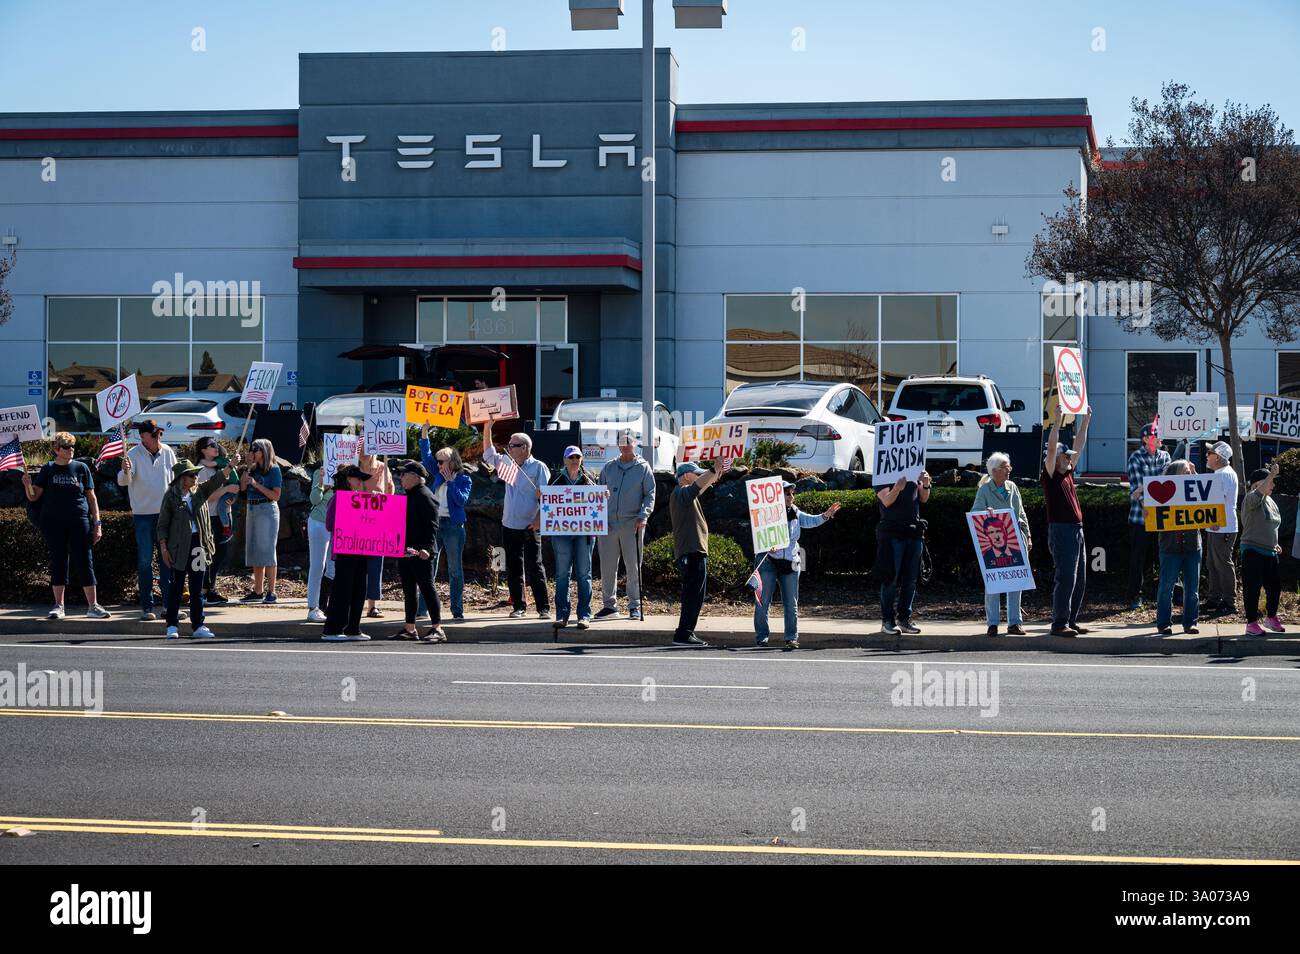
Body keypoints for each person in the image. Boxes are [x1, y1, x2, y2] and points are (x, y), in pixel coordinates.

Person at [22, 432, 110, 620]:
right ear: (56, 449)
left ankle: (93, 606)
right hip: (53, 522)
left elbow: (92, 498)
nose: (71, 450)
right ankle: (58, 606)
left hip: (79, 521)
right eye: (66, 447)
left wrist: (97, 523)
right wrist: (27, 485)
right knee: (58, 561)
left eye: (72, 447)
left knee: (85, 560)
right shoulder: (48, 469)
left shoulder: (81, 468)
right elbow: (33, 497)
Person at [751, 481, 840, 650]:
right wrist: (766, 545)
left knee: (791, 604)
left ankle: (791, 637)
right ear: (777, 495)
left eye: (792, 493)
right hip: (769, 562)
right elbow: (758, 536)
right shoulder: (764, 512)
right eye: (787, 493)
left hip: (791, 562)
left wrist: (825, 515)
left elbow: (809, 521)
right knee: (762, 602)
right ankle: (762, 637)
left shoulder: (795, 512)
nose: (791, 497)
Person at [157, 459, 234, 639]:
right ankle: (172, 625)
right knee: (176, 587)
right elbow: (162, 525)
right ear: (182, 478)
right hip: (178, 548)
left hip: (199, 544)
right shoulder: (171, 497)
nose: (195, 477)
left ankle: (198, 625)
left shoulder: (200, 491)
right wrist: (164, 548)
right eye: (192, 475)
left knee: (197, 587)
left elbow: (217, 480)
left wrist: (230, 466)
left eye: (196, 474)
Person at [480, 424, 551, 619]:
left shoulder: (539, 468)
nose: (509, 448)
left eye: (514, 445)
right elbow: (488, 453)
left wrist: (539, 519)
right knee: (513, 566)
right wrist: (488, 426)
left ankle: (543, 608)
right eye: (509, 445)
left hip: (530, 525)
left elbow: (547, 498)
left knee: (535, 566)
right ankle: (519, 606)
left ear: (526, 448)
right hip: (509, 524)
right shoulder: (507, 464)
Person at [117, 419, 177, 620]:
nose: (156, 437)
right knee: (144, 561)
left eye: (157, 433)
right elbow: (124, 481)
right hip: (143, 516)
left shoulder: (168, 451)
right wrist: (125, 470)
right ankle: (147, 607)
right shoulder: (132, 455)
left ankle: (170, 606)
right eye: (152, 434)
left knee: (167, 561)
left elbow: (176, 479)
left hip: (166, 515)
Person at [669, 457, 731, 647]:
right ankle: (683, 634)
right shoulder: (681, 492)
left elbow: (701, 487)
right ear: (686, 475)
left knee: (695, 594)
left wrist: (715, 473)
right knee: (692, 594)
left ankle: (686, 632)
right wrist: (713, 469)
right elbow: (698, 487)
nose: (699, 477)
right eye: (697, 474)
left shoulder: (686, 495)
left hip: (694, 551)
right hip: (691, 551)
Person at [595, 431, 655, 621]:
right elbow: (598, 493)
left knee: (633, 566)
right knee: (607, 566)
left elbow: (650, 494)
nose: (626, 444)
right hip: (609, 524)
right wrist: (600, 517)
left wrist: (643, 515)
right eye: (622, 441)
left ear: (635, 443)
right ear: (618, 445)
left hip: (633, 524)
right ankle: (609, 606)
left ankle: (634, 606)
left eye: (629, 441)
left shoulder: (643, 468)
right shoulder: (609, 467)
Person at [1042, 411, 1091, 637]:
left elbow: (1079, 444)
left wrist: (1086, 421)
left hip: (1076, 530)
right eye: (1066, 456)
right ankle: (1059, 623)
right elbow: (1052, 448)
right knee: (1066, 576)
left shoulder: (1068, 473)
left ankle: (1070, 620)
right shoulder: (1051, 475)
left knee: (1079, 577)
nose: (1070, 459)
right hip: (1062, 531)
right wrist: (1057, 420)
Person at [971, 451, 1032, 636]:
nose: (1009, 470)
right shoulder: (984, 490)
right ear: (995, 471)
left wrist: (1027, 536)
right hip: (993, 545)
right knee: (994, 583)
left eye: (1009, 466)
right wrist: (985, 512)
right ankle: (992, 623)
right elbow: (975, 512)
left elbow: (1021, 513)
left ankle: (1015, 623)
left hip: (1015, 541)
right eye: (1006, 467)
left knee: (1016, 583)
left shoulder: (1012, 487)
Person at [420, 426, 472, 621]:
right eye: (439, 461)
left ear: (452, 462)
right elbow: (426, 458)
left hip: (453, 527)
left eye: (442, 461)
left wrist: (451, 483)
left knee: (455, 570)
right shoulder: (438, 473)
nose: (439, 464)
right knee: (428, 567)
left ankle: (457, 610)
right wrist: (424, 433)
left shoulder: (464, 479)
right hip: (435, 524)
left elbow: (461, 501)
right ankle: (422, 609)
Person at [875, 467, 932, 636]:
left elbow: (923, 498)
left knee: (911, 579)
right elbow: (886, 501)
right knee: (890, 578)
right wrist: (897, 488)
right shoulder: (883, 473)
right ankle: (887, 621)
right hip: (892, 533)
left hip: (913, 532)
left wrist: (926, 484)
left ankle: (904, 619)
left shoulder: (915, 471)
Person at [395, 461, 447, 643]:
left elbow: (433, 526)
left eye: (404, 474)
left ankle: (437, 628)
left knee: (427, 588)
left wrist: (426, 548)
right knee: (409, 590)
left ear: (416, 477)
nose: (400, 477)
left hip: (420, 552)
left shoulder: (426, 496)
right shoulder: (408, 495)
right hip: (405, 550)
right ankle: (410, 628)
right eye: (400, 474)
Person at [550, 446, 598, 630]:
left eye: (577, 457)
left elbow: (597, 502)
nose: (574, 460)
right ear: (564, 460)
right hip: (561, 533)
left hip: (584, 534)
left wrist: (604, 496)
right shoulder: (556, 479)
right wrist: (541, 496)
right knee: (562, 575)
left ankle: (584, 615)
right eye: (571, 457)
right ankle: (562, 615)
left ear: (582, 459)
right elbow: (547, 502)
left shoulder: (590, 479)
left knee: (584, 574)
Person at [1125, 423, 1171, 610]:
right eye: (1156, 435)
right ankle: (1135, 596)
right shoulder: (1135, 458)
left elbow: (1168, 482)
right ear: (1145, 439)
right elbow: (1136, 490)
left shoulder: (1166, 456)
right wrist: (1145, 501)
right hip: (1140, 518)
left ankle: (1169, 593)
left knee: (1166, 556)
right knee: (1138, 558)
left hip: (1164, 517)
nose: (1160, 437)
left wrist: (1147, 485)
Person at [1153, 459, 1201, 636]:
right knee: (1166, 587)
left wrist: (1196, 476)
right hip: (1169, 547)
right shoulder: (1161, 491)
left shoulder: (1196, 490)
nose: (1188, 474)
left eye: (1189, 471)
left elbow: (1208, 502)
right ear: (1174, 474)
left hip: (1192, 546)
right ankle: (1164, 623)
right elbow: (1153, 516)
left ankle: (1190, 623)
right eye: (1185, 471)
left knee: (1192, 588)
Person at [322, 465, 371, 641]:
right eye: (358, 479)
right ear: (349, 479)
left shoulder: (360, 499)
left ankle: (352, 628)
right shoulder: (337, 499)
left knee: (359, 589)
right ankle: (332, 630)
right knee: (342, 591)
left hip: (360, 549)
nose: (361, 482)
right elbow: (329, 525)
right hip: (345, 551)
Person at [193, 436, 239, 605]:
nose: (216, 447)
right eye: (211, 445)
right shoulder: (200, 470)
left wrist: (231, 497)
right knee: (211, 555)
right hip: (210, 518)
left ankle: (209, 589)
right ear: (203, 450)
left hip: (223, 516)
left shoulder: (218, 466)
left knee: (220, 555)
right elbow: (206, 497)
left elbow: (228, 491)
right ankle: (204, 592)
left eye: (216, 444)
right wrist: (226, 488)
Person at [1240, 462, 1284, 637]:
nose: (1273, 484)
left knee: (1275, 587)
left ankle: (1271, 618)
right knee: (1253, 589)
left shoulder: (1271, 501)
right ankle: (1251, 623)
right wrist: (1271, 474)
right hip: (1252, 549)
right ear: (1257, 484)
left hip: (1270, 550)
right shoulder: (1251, 497)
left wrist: (1275, 542)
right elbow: (1259, 495)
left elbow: (1272, 525)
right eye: (1269, 481)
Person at [239, 437, 282, 603]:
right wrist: (248, 467)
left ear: (263, 451)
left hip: (266, 509)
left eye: (254, 450)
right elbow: (242, 488)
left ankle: (272, 591)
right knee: (255, 550)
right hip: (252, 508)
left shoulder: (274, 470)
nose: (252, 453)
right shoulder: (252, 469)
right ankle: (258, 591)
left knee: (267, 550)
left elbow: (276, 496)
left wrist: (256, 485)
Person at [357, 436, 394, 618]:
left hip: (376, 522)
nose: (362, 453)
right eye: (360, 449)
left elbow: (391, 492)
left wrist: (380, 496)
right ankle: (354, 603)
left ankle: (372, 605)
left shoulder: (382, 468)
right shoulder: (352, 469)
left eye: (366, 449)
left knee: (375, 565)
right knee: (356, 565)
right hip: (354, 522)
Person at [1203, 441, 1240, 616]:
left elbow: (1219, 500)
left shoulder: (1223, 474)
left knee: (1223, 565)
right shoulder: (1221, 472)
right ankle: (1214, 599)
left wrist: (1215, 520)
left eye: (1209, 453)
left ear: (1217, 457)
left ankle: (1229, 602)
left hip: (1222, 527)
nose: (1206, 455)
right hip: (1217, 526)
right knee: (1213, 564)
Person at [305, 465, 334, 623]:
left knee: (332, 567)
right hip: (319, 523)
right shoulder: (320, 472)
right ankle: (312, 608)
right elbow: (314, 499)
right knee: (317, 566)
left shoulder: (349, 474)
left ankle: (325, 606)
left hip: (337, 526)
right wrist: (322, 482)